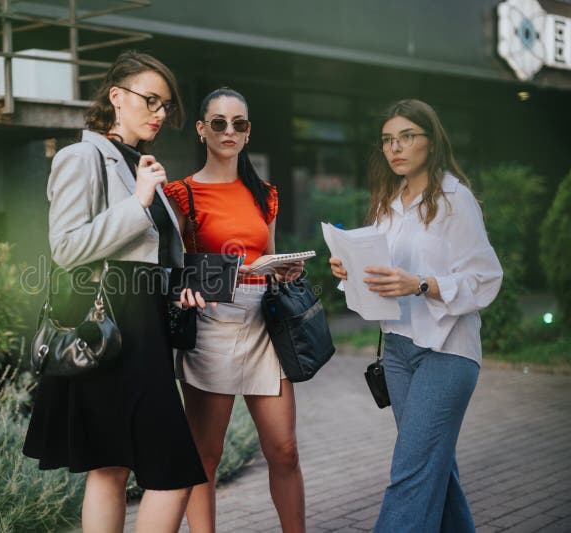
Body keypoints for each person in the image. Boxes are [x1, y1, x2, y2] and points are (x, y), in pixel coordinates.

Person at [22, 51, 207, 533]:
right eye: (151, 100)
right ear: (116, 97)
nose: (161, 113)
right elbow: (65, 248)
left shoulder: (139, 163)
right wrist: (141, 202)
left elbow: (150, 257)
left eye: (166, 105)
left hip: (144, 328)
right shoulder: (80, 157)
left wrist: (181, 287)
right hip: (109, 331)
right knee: (170, 471)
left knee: (112, 468)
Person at [329, 99, 503, 532]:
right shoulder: (388, 202)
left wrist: (421, 283)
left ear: (431, 141)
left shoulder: (453, 199)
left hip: (446, 352)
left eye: (407, 137)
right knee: (434, 469)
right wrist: (349, 268)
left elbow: (485, 279)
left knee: (411, 473)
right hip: (398, 352)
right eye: (389, 140)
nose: (396, 148)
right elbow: (382, 271)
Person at [164, 88, 306, 533]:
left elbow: (271, 256)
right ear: (202, 129)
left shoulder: (265, 195)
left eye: (239, 123)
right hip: (210, 327)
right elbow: (171, 270)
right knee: (205, 456)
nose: (229, 131)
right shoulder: (181, 193)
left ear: (248, 133)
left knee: (284, 450)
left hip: (264, 325)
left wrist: (286, 270)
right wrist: (185, 291)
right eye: (219, 122)